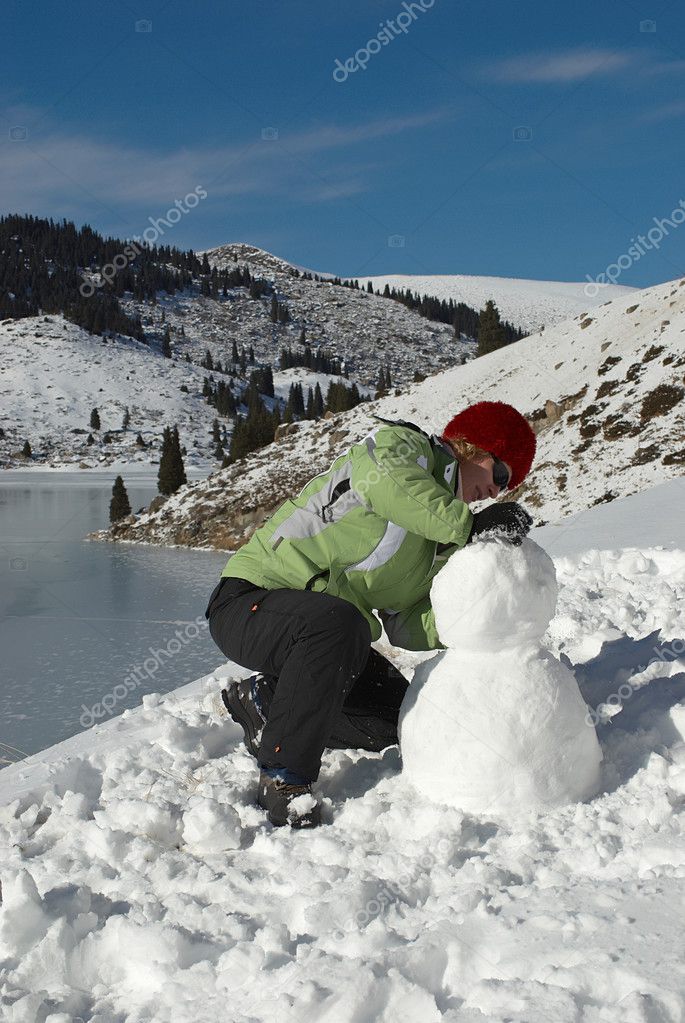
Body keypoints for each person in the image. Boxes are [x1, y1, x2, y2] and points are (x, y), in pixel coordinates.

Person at [205, 400, 536, 828]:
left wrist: (477, 617)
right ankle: (285, 780)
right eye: (501, 476)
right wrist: (469, 528)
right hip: (249, 602)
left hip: (326, 639)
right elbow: (389, 486)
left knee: (398, 718)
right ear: (474, 446)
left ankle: (265, 703)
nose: (495, 493)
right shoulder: (403, 449)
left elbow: (406, 622)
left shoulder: (435, 541)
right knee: (337, 622)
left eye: (505, 489)